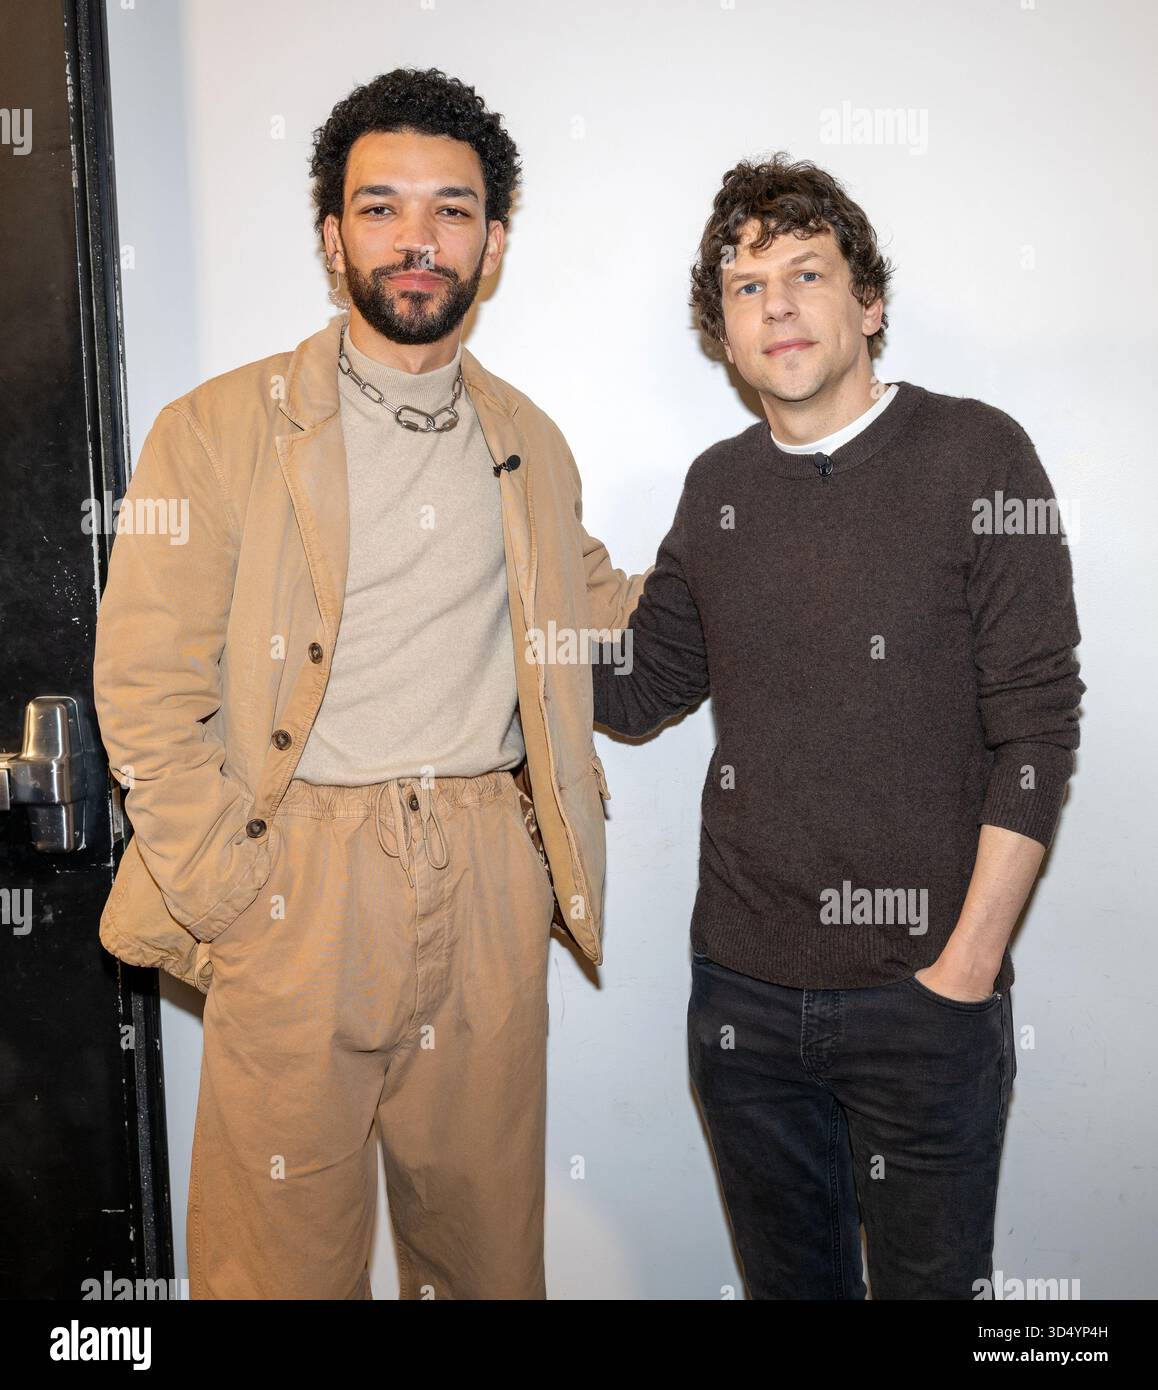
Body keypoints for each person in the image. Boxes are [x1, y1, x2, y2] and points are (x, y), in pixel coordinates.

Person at [93, 67, 646, 1300]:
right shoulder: (220, 428)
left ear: (492, 244)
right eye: (381, 206)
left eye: (451, 210)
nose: (417, 239)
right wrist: (231, 888)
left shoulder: (529, 440)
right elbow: (141, 685)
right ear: (332, 233)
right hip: (295, 882)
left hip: (489, 877)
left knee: (486, 1257)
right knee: (274, 1265)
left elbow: (602, 617)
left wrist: (775, 531)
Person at [592, 153, 1084, 1299]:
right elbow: (637, 686)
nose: (778, 306)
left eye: (806, 273)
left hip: (925, 999)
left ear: (868, 303)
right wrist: (498, 590)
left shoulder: (977, 454)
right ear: (722, 333)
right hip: (742, 1001)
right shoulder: (718, 486)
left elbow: (1038, 730)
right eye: (747, 286)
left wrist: (964, 970)